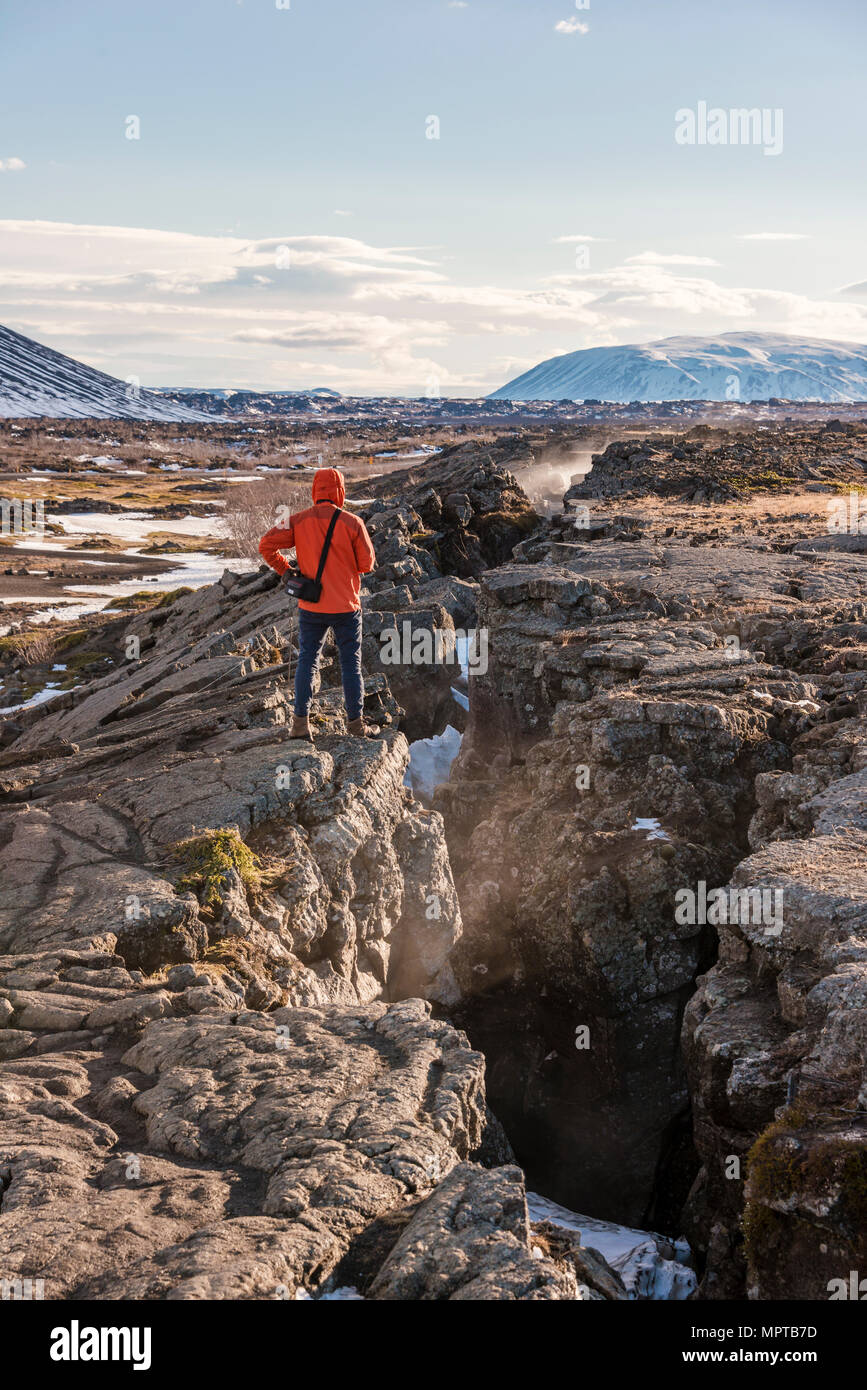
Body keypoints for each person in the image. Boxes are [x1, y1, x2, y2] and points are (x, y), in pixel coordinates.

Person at [259, 467, 377, 739]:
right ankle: (356, 726)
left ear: (315, 491)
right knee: (350, 664)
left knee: (307, 660)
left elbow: (266, 544)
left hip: (311, 606)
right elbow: (366, 564)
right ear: (340, 492)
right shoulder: (352, 523)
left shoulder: (298, 520)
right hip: (346, 606)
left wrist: (285, 570)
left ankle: (300, 725)